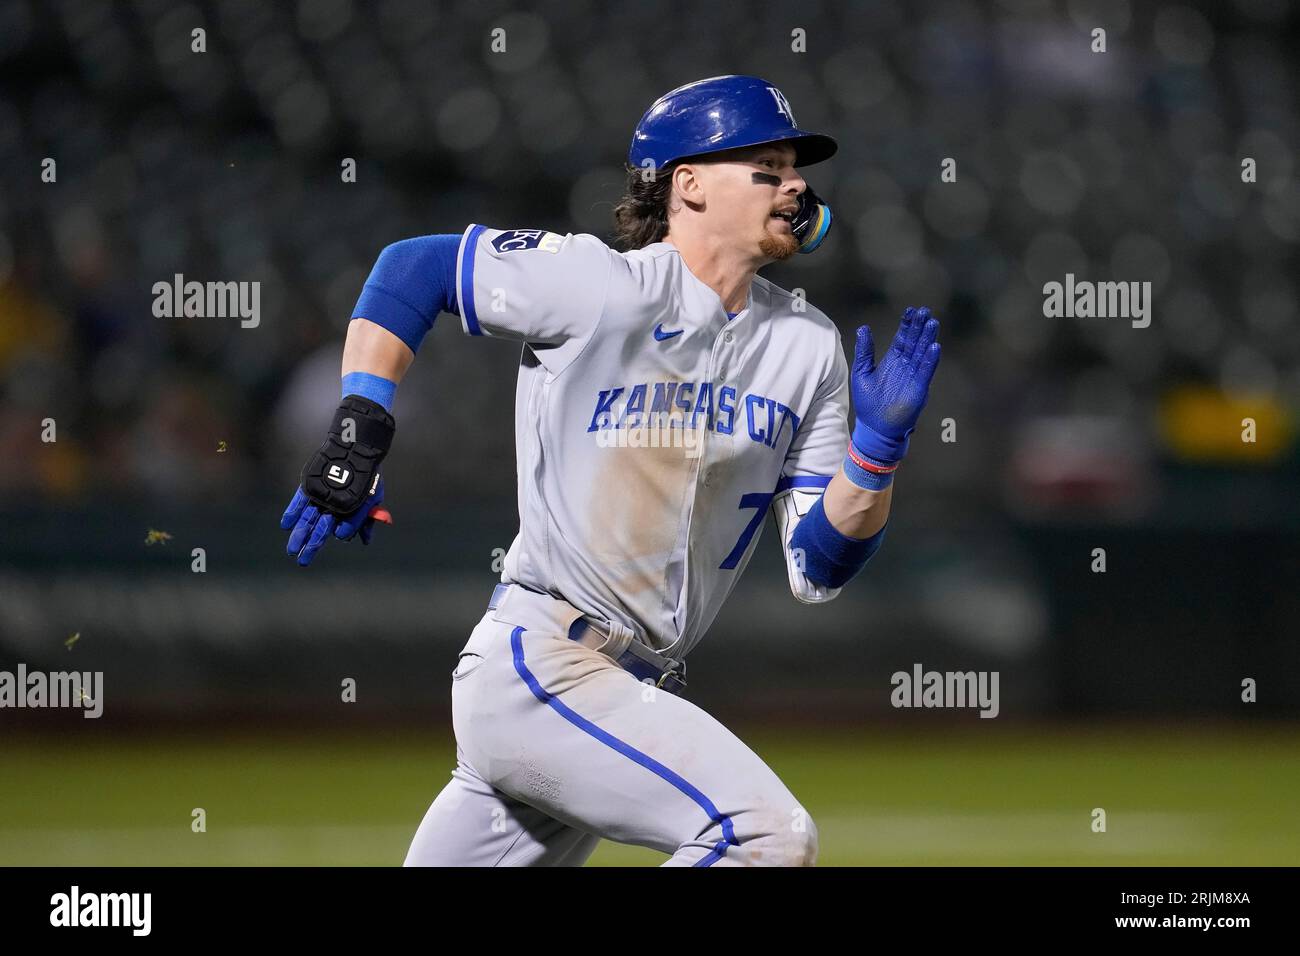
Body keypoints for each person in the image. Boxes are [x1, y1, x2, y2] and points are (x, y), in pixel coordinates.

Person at [280, 75, 941, 866]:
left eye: (797, 169)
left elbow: (820, 563)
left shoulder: (806, 345)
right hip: (541, 664)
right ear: (687, 184)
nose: (796, 185)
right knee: (763, 834)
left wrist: (877, 454)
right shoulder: (601, 283)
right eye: (767, 167)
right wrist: (360, 428)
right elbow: (411, 270)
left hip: (618, 692)